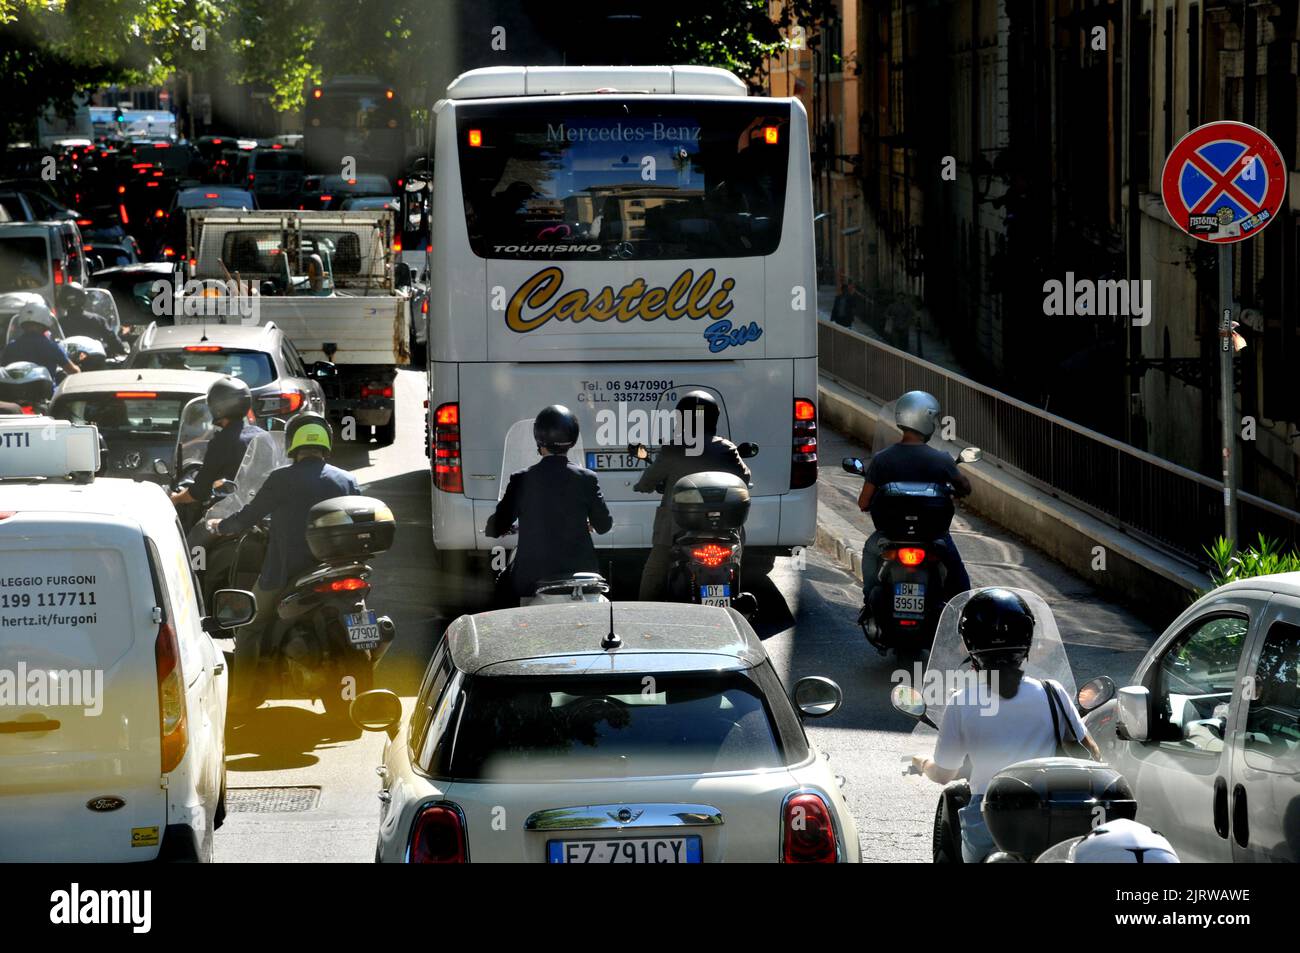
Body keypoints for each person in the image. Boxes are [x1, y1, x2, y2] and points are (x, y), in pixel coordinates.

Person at [911, 588, 1102, 862]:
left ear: (970, 644)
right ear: (1026, 641)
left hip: (988, 821)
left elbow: (944, 774)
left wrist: (922, 762)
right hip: (1049, 820)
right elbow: (1092, 755)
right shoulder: (1052, 693)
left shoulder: (962, 701)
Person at [206, 411, 359, 712]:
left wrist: (220, 527)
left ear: (293, 444)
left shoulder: (281, 478)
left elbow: (248, 516)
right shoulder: (347, 480)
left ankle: (243, 696)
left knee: (248, 624)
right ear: (325, 442)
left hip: (287, 572)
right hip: (339, 572)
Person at [857, 390, 971, 612]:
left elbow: (863, 502)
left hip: (891, 537)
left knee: (870, 552)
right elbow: (965, 487)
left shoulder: (882, 459)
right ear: (926, 419)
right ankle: (959, 614)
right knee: (959, 579)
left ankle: (869, 603)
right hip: (934, 537)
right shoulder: (941, 460)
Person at [485, 404, 613, 601]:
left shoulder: (522, 480)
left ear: (539, 439)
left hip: (532, 577)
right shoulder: (587, 478)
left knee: (500, 594)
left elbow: (495, 528)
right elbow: (604, 526)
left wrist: (498, 527)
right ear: (572, 439)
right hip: (582, 576)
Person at [634, 390, 750, 600]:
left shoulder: (674, 448)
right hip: (722, 528)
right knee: (737, 557)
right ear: (713, 418)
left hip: (677, 529)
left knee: (654, 570)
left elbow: (647, 482)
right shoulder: (726, 448)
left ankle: (644, 615)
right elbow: (745, 477)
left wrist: (642, 485)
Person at [171, 377, 264, 508]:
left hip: (228, 511)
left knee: (198, 528)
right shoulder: (261, 435)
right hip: (260, 508)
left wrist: (175, 499)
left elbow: (199, 492)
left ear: (217, 407)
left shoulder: (222, 442)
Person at [0, 300, 79, 379]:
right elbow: (74, 371)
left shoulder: (11, 347)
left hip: (15, 390)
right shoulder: (51, 347)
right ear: (45, 323)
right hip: (46, 391)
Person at [55, 283, 126, 357]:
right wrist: (122, 350)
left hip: (69, 363)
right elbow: (112, 340)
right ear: (83, 298)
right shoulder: (97, 320)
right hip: (93, 361)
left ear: (62, 301)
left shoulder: (59, 324)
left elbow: (53, 344)